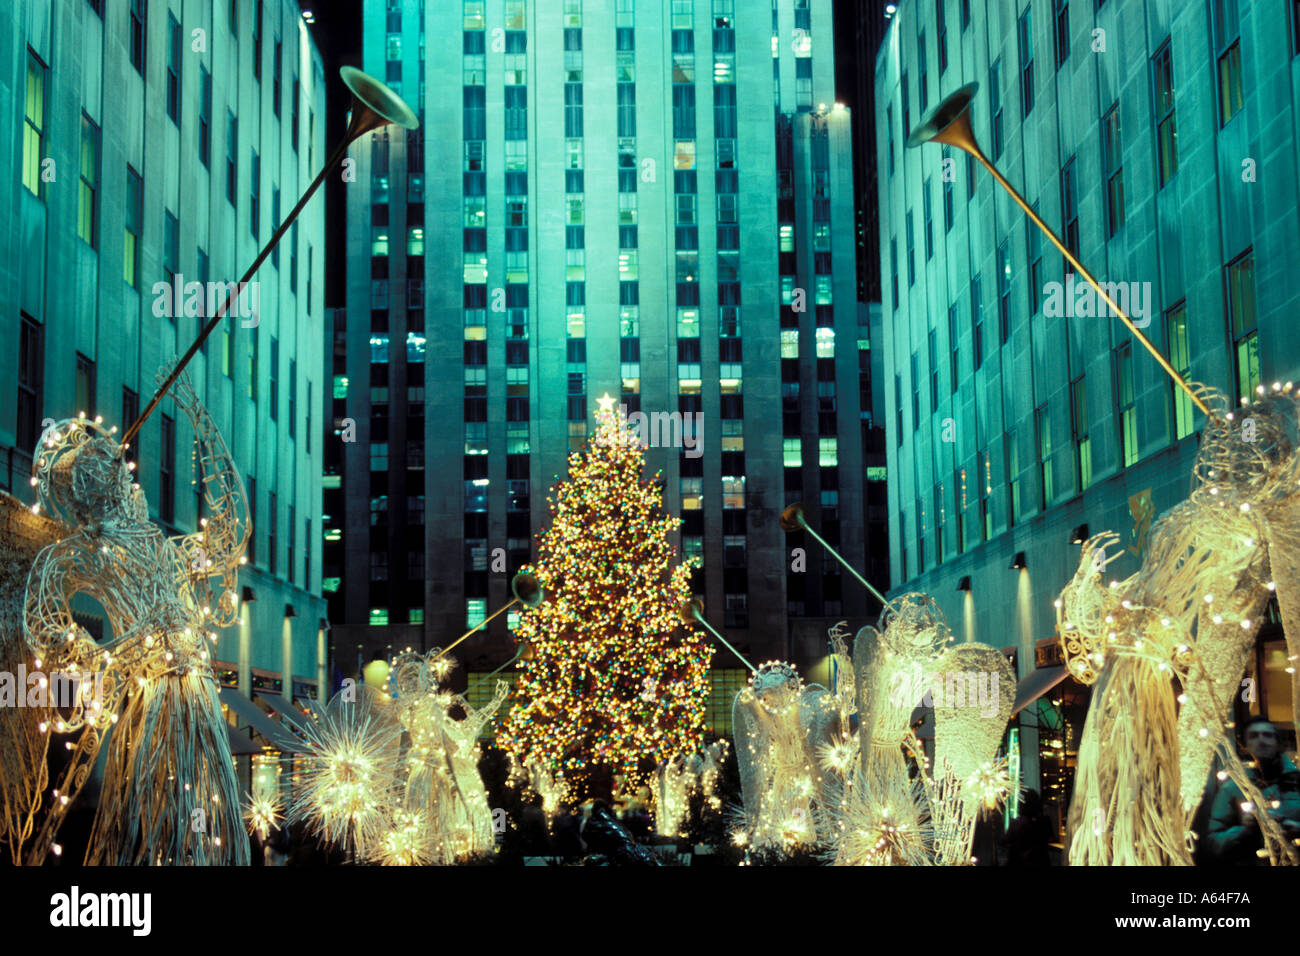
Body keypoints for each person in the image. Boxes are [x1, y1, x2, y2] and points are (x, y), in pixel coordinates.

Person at [1205, 715, 1300, 864]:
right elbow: (1213, 844)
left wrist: (1296, 830)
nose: (1261, 740)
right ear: (1245, 745)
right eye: (1253, 736)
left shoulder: (1296, 781)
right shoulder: (1233, 788)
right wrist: (1243, 831)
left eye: (1267, 735)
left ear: (1277, 742)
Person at [1002, 789, 1052, 865]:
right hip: (1041, 861)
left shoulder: (1017, 823)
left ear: (1022, 804)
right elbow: (1050, 838)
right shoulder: (1045, 821)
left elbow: (1007, 840)